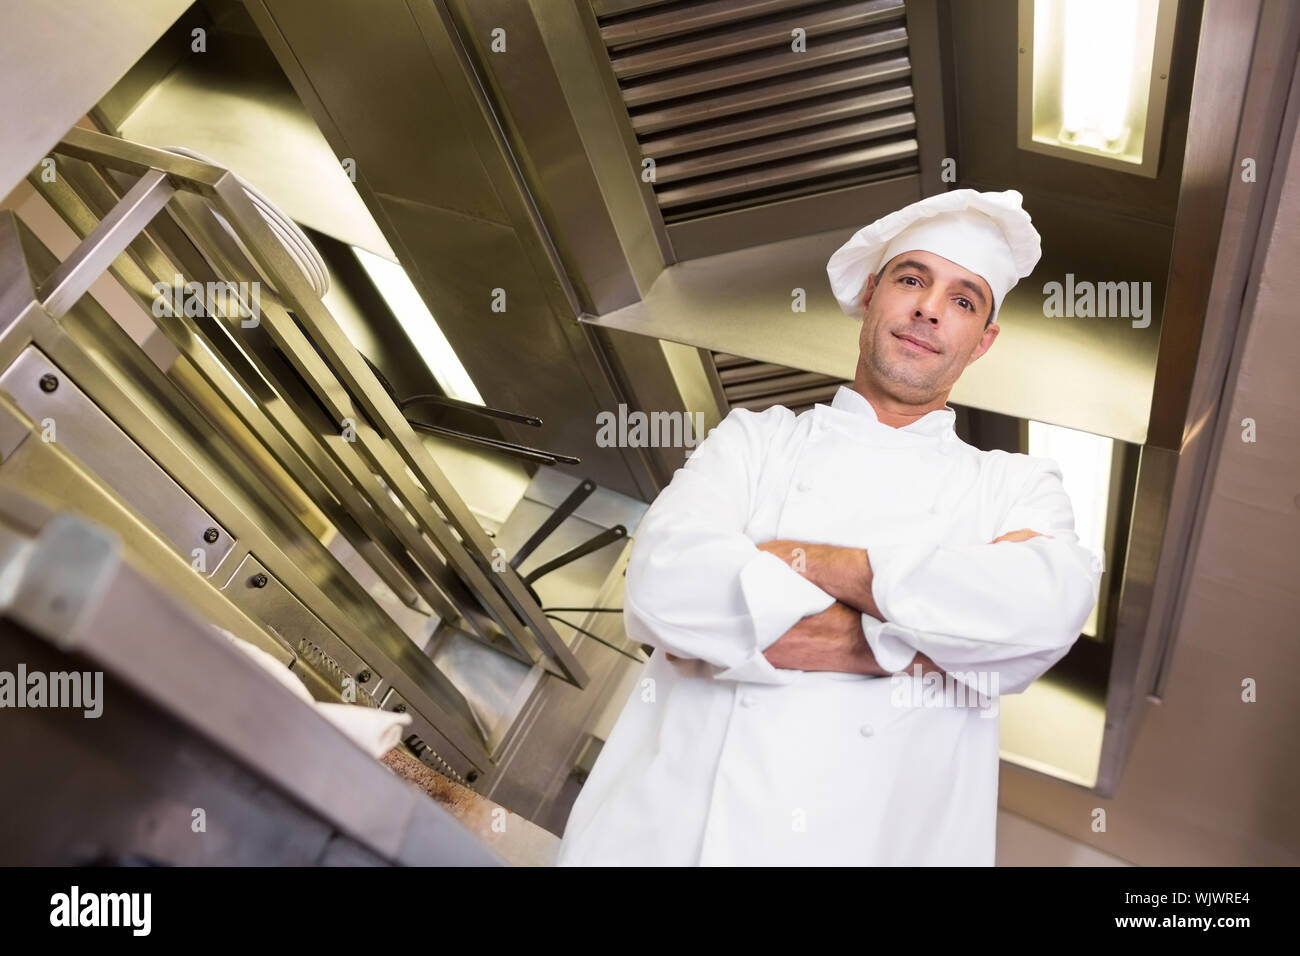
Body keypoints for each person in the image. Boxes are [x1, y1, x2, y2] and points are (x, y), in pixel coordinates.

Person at [556, 188, 1103, 866]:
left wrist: (800, 562)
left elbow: (1044, 612)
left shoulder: (1012, 488)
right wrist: (935, 645)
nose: (930, 308)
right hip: (661, 843)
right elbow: (663, 586)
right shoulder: (755, 442)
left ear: (982, 342)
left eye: (964, 300)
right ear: (871, 294)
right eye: (911, 279)